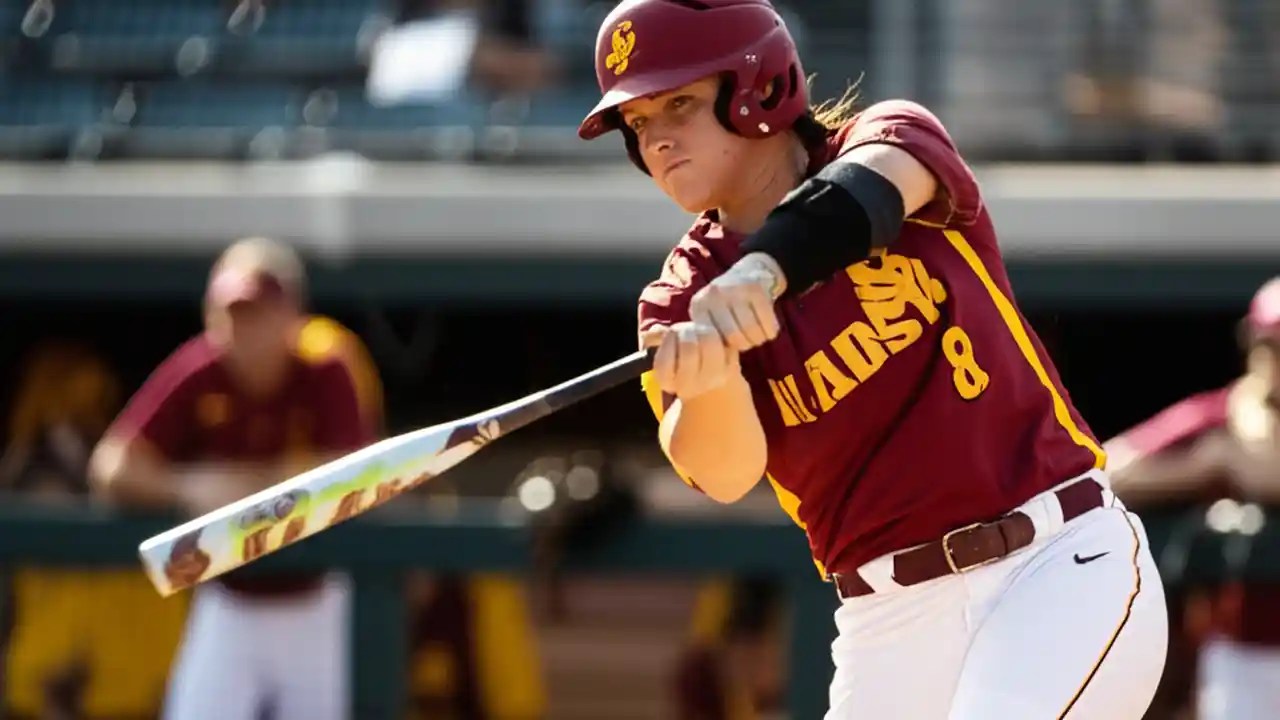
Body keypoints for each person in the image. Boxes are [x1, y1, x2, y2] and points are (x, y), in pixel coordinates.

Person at [576, 0, 1169, 717]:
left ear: (760, 88)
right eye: (639, 123)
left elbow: (868, 193)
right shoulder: (677, 300)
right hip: (885, 619)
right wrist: (711, 382)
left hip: (1052, 563)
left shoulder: (886, 135)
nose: (659, 139)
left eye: (680, 104)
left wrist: (760, 272)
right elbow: (724, 474)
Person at [87, 237, 375, 720]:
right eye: (229, 313)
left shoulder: (327, 367)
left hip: (314, 597)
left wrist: (254, 483)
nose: (239, 330)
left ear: (290, 315)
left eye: (256, 314)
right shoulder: (201, 368)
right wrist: (188, 485)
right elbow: (110, 467)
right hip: (230, 597)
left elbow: (353, 474)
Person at [1106, 276, 1280, 720]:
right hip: (1245, 650)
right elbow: (1105, 469)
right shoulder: (1223, 418)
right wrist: (1205, 467)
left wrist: (1256, 471)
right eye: (1274, 348)